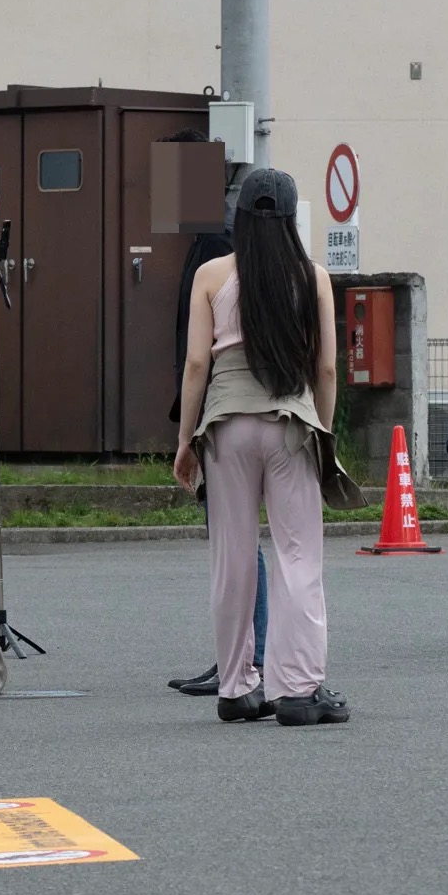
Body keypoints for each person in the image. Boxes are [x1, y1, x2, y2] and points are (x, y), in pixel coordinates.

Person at [172, 166, 348, 728]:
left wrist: (185, 441)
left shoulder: (209, 274)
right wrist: (322, 432)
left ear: (239, 217)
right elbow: (325, 365)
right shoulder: (311, 275)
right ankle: (298, 690)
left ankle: (236, 686)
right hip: (289, 422)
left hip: (225, 425)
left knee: (233, 558)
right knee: (298, 556)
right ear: (292, 219)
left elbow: (197, 363)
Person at [163, 151, 270, 699]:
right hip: (267, 412)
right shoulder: (214, 241)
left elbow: (200, 353)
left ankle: (247, 658)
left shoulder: (214, 248)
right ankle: (258, 658)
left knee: (236, 540)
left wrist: (188, 427)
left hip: (224, 408)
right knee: (260, 541)